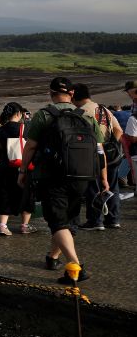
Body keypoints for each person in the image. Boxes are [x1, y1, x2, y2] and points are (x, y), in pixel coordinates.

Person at [18, 77, 107, 283]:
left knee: (57, 222)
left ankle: (75, 267)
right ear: (72, 94)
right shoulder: (86, 116)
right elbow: (99, 150)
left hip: (52, 177)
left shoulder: (44, 115)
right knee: (67, 221)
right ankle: (52, 257)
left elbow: (30, 146)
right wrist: (103, 178)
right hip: (82, 177)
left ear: (51, 93)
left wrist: (23, 171)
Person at [74, 84, 124, 230]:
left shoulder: (81, 112)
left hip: (93, 153)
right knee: (112, 187)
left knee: (93, 187)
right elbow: (118, 130)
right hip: (112, 155)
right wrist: (110, 144)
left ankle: (95, 221)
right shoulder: (104, 109)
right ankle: (113, 219)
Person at [0, 102, 37, 236]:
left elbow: (0, 147)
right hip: (24, 166)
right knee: (26, 195)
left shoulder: (1, 130)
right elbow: (32, 146)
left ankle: (3, 226)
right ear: (19, 113)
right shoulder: (26, 128)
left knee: (6, 195)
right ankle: (24, 225)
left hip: (7, 166)